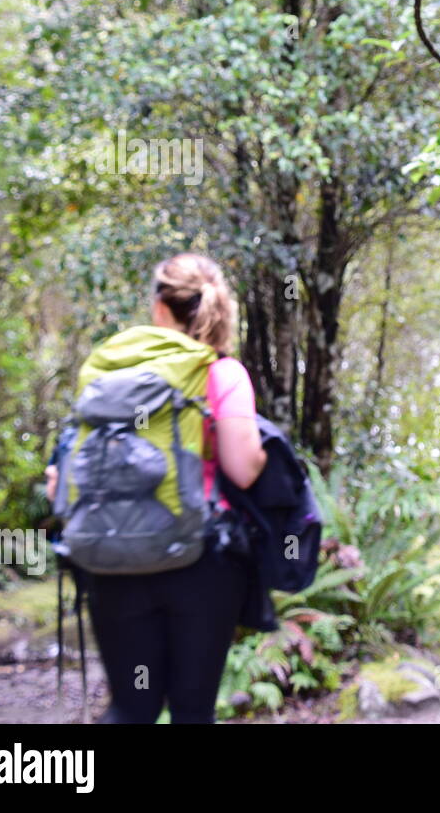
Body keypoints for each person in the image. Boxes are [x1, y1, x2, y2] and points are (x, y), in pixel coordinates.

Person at [45, 253, 266, 723]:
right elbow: (244, 469)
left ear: (159, 306)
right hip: (199, 563)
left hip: (111, 559)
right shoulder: (219, 373)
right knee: (191, 709)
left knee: (131, 706)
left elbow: (66, 474)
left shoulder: (107, 371)